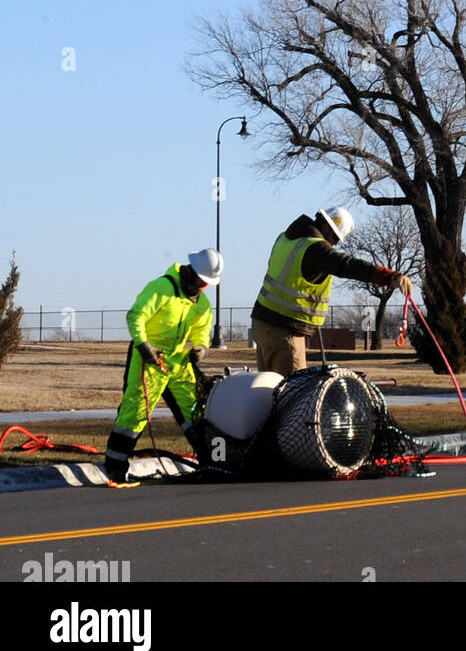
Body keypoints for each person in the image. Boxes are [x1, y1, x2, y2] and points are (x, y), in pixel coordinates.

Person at [103, 249, 222, 485]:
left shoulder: (202, 303)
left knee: (195, 409)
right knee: (135, 412)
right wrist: (144, 345)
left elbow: (201, 330)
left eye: (205, 284)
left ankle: (211, 461)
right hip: (149, 359)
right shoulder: (161, 288)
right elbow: (136, 316)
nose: (201, 286)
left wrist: (201, 348)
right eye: (200, 281)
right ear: (191, 271)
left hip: (178, 362)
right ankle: (115, 466)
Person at [251, 207, 412, 377]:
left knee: (268, 387)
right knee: (292, 392)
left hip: (262, 323)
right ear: (327, 227)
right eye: (335, 238)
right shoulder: (315, 248)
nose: (334, 244)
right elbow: (346, 265)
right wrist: (389, 276)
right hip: (284, 330)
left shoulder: (286, 238)